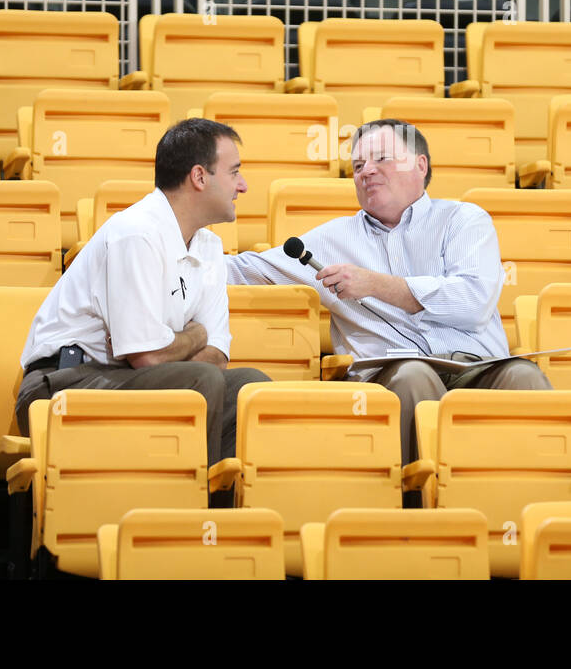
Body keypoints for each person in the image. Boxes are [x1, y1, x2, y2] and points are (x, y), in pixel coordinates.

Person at [225, 118, 551, 463]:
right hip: (393, 375)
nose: (366, 171)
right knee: (414, 375)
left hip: (479, 368)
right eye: (358, 165)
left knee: (524, 375)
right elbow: (244, 270)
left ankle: (538, 501)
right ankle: (418, 498)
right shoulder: (332, 239)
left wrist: (373, 284)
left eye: (381, 159)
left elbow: (471, 302)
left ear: (420, 164)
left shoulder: (464, 221)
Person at [15, 118, 270, 466]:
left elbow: (218, 355)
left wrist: (168, 347)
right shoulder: (136, 232)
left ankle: (222, 507)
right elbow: (149, 357)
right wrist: (195, 334)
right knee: (201, 380)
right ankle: (193, 507)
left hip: (127, 375)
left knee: (250, 387)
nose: (242, 185)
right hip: (60, 383)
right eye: (234, 172)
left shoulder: (210, 245)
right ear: (199, 177)